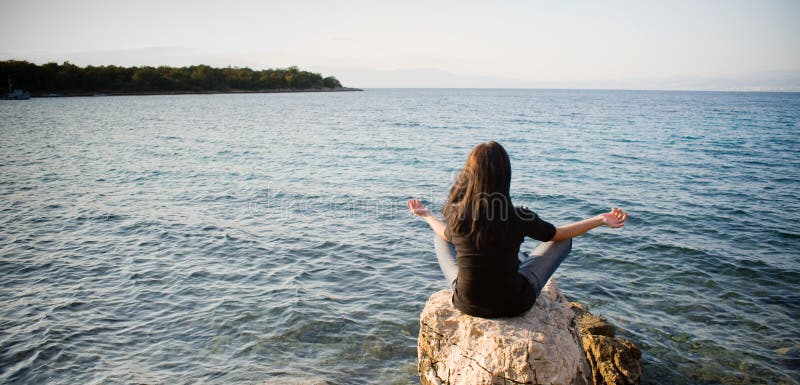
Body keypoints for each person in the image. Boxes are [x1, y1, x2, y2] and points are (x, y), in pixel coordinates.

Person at [407, 141, 627, 318]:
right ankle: (521, 259)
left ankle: (518, 260)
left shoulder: (458, 214)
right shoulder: (518, 214)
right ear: (505, 174)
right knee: (564, 240)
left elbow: (444, 234)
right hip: (513, 304)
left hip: (467, 303)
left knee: (441, 238)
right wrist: (599, 219)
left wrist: (426, 215)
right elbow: (558, 235)